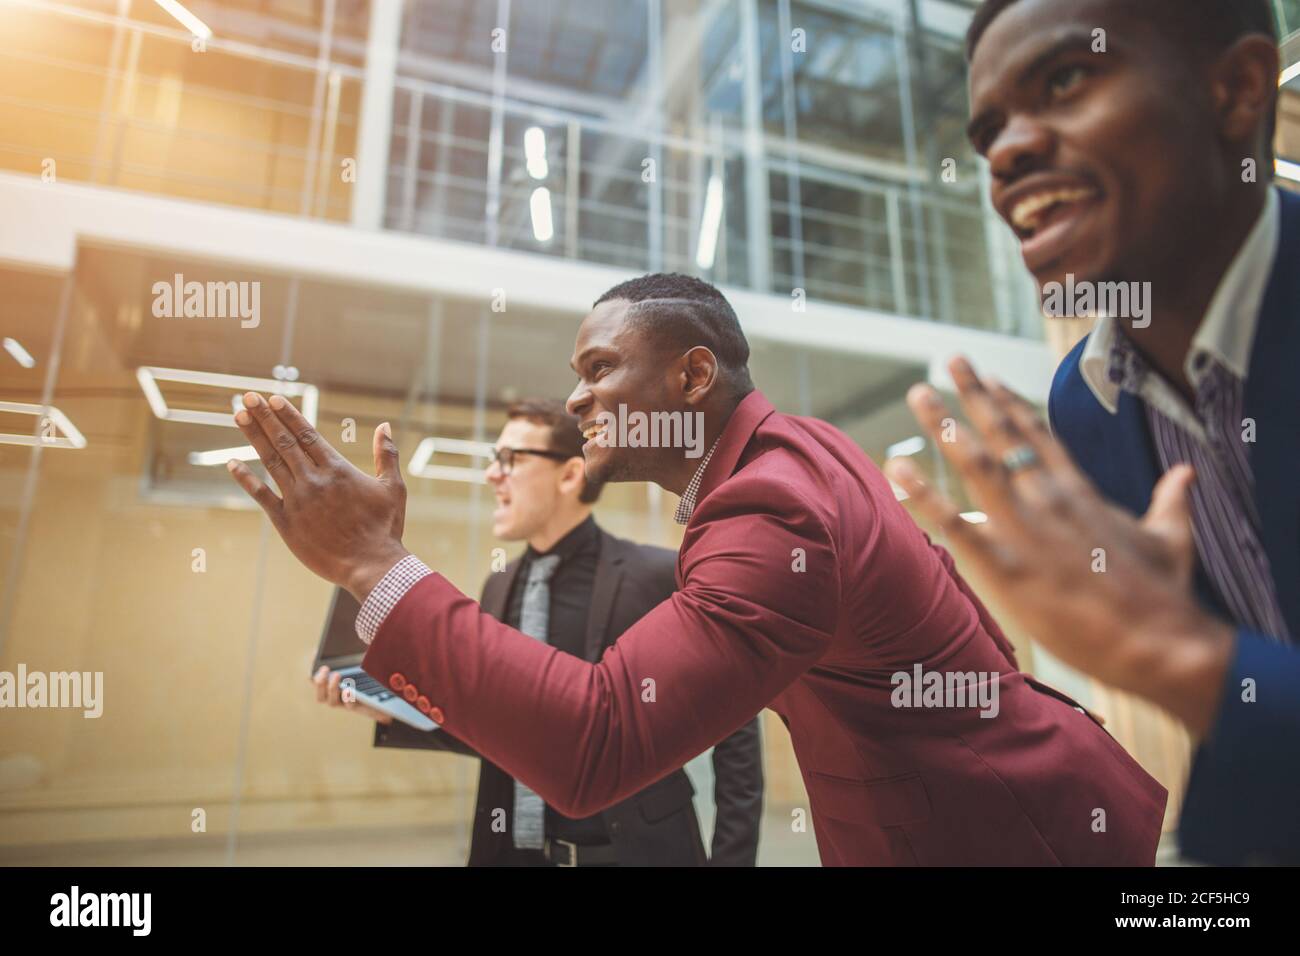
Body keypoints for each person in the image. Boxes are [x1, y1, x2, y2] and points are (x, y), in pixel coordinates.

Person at [226, 273, 1166, 866]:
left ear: (691, 378)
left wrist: (372, 565)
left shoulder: (772, 506)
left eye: (599, 367)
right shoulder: (793, 455)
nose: (575, 394)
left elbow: (596, 744)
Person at [888, 0, 1299, 864]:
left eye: (1066, 79)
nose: (1006, 154)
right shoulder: (1082, 404)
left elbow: (1217, 670)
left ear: (1237, 89)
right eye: (989, 131)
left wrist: (1185, 658)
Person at [311, 398, 763, 866]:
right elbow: (499, 730)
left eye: (510, 459)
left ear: (569, 475)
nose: (492, 475)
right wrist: (388, 712)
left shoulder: (657, 575)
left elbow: (736, 733)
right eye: (493, 459)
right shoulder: (499, 584)